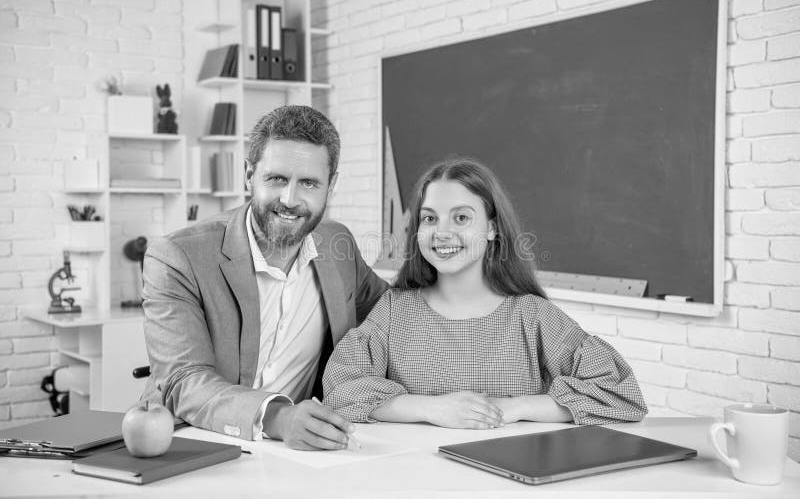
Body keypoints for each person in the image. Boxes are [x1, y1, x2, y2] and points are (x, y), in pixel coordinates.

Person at [323, 157, 647, 428]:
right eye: (430, 218)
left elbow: (620, 394)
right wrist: (432, 409)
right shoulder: (394, 310)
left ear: (492, 228)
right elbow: (341, 389)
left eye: (461, 217)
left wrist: (514, 408)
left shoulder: (533, 316)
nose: (443, 232)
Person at [141, 105, 389, 449]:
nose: (290, 199)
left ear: (330, 187)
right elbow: (183, 380)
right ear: (249, 176)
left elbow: (393, 312)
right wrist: (279, 418)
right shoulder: (178, 257)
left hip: (296, 454)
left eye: (308, 183)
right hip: (189, 445)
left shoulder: (337, 244)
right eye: (276, 179)